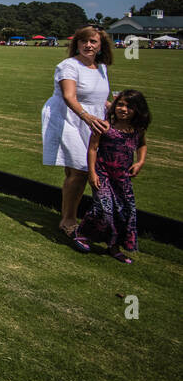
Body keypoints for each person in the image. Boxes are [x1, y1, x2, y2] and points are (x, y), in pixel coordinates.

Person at [41, 25, 112, 236]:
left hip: (91, 121)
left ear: (101, 46)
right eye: (84, 41)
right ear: (77, 44)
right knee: (81, 168)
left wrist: (117, 106)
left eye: (93, 42)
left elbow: (99, 98)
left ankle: (72, 212)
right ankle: (68, 220)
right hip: (67, 118)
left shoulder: (101, 68)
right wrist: (86, 116)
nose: (88, 45)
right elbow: (69, 96)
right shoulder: (68, 66)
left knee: (75, 170)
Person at [72, 89, 149, 262]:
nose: (123, 109)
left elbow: (142, 145)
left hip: (122, 177)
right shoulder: (105, 126)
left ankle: (114, 246)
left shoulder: (137, 130)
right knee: (103, 208)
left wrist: (140, 162)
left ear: (138, 109)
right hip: (102, 173)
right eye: (120, 104)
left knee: (124, 211)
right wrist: (92, 173)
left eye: (129, 106)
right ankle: (83, 234)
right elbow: (92, 149)